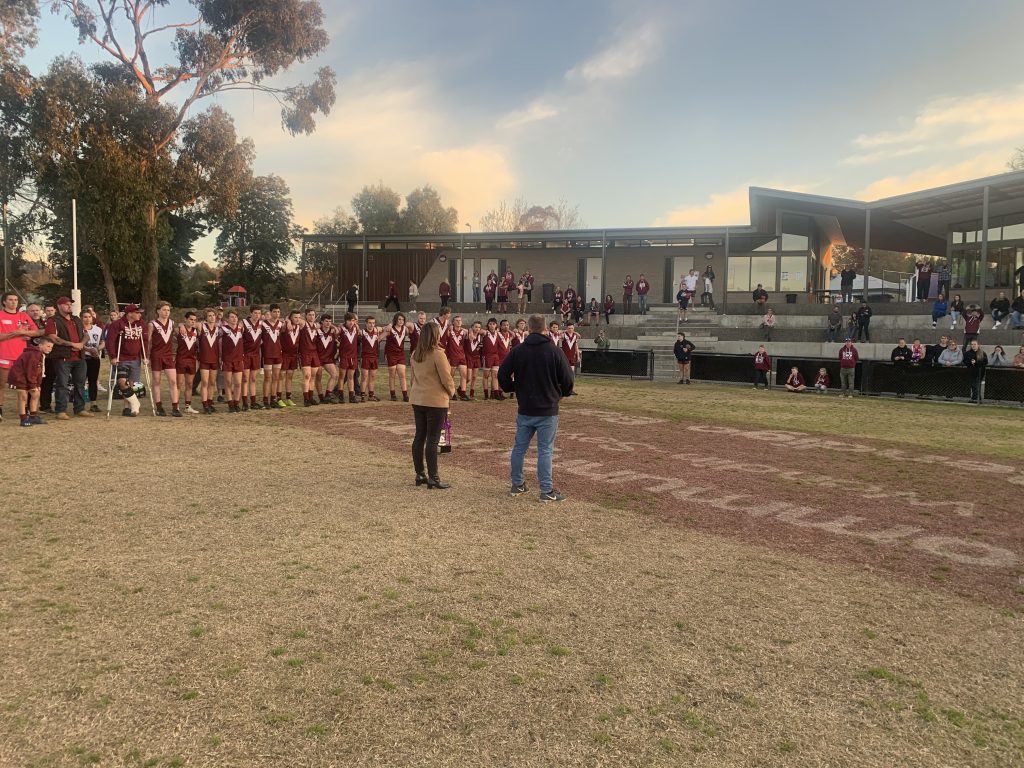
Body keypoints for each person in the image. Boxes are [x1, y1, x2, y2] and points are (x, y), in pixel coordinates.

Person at [498, 314, 574, 502]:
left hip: (525, 408)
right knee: (545, 450)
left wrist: (513, 387)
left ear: (529, 329)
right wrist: (563, 393)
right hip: (548, 408)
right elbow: (568, 379)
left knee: (519, 448)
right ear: (545, 329)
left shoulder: (518, 350)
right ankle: (546, 490)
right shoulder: (554, 350)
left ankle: (517, 484)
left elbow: (502, 375)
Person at [409, 321, 455, 489]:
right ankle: (433, 477)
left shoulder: (415, 354)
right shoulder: (438, 354)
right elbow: (446, 377)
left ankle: (420, 473)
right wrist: (452, 392)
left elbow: (414, 377)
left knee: (419, 436)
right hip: (435, 400)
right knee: (433, 439)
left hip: (418, 399)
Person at [42, 297, 89, 420]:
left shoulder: (76, 319)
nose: (69, 306)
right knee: (62, 384)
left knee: (80, 383)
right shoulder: (53, 321)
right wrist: (72, 344)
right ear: (59, 306)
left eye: (70, 304)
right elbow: (53, 338)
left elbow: (86, 335)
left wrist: (81, 344)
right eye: (66, 304)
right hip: (62, 357)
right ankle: (61, 410)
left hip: (79, 356)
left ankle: (80, 408)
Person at [0, 291, 42, 422]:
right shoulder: (0, 315)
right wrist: (15, 333)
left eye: (15, 300)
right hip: (5, 354)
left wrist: (27, 333)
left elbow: (37, 331)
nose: (13, 302)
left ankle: (28, 411)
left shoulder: (23, 316)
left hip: (23, 357)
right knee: (2, 384)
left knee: (26, 385)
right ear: (4, 302)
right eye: (10, 300)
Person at [105, 304, 147, 417]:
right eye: (137, 312)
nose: (140, 314)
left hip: (135, 358)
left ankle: (127, 408)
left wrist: (145, 356)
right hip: (121, 358)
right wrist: (113, 356)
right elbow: (110, 342)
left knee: (131, 384)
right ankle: (135, 403)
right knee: (122, 382)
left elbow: (145, 340)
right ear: (130, 314)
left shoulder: (141, 324)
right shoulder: (117, 324)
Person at [147, 301, 182, 417]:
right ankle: (159, 406)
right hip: (156, 355)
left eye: (168, 310)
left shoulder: (172, 323)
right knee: (156, 381)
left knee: (173, 381)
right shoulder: (152, 324)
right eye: (164, 310)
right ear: (158, 311)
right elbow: (148, 341)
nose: (166, 312)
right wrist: (146, 357)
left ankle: (175, 407)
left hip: (168, 355)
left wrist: (181, 326)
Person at [9, 337, 54, 426]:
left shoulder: (40, 354)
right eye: (48, 346)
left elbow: (39, 371)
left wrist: (37, 384)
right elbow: (31, 370)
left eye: (52, 347)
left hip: (27, 378)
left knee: (36, 394)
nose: (50, 349)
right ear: (40, 345)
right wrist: (33, 385)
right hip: (20, 378)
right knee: (23, 397)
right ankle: (23, 419)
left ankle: (33, 416)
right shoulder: (34, 354)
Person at [219, 310, 246, 413]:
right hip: (227, 360)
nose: (234, 319)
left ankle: (236, 402)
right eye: (231, 317)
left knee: (238, 383)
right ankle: (230, 403)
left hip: (238, 359)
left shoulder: (241, 329)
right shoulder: (223, 329)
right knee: (228, 383)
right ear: (227, 319)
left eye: (235, 317)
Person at [175, 310, 200, 414]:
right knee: (179, 384)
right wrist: (180, 325)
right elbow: (173, 327)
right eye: (190, 319)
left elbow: (202, 325)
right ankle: (175, 405)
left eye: (194, 320)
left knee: (189, 384)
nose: (192, 322)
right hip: (181, 359)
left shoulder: (196, 330)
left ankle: (187, 406)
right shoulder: (179, 330)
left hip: (191, 360)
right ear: (185, 319)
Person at [259, 304, 284, 409]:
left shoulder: (281, 324)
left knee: (276, 378)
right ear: (270, 312)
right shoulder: (263, 324)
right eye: (274, 312)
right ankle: (265, 400)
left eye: (278, 312)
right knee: (267, 378)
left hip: (278, 354)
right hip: (268, 354)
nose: (277, 314)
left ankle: (273, 399)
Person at [198, 308, 222, 414]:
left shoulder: (218, 329)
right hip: (204, 359)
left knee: (212, 383)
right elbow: (186, 324)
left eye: (213, 315)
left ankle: (210, 401)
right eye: (209, 316)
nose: (212, 317)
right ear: (206, 317)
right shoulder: (201, 326)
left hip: (215, 359)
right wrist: (181, 326)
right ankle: (204, 404)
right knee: (205, 382)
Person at [383, 312, 410, 401]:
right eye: (399, 319)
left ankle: (405, 395)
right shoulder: (390, 329)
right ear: (395, 320)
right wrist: (390, 324)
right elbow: (380, 337)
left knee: (402, 374)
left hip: (400, 354)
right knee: (392, 375)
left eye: (402, 319)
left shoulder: (405, 328)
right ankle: (392, 394)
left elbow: (412, 325)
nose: (401, 321)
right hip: (391, 354)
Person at [81, 309, 103, 412]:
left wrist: (97, 349)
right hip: (83, 358)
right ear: (81, 318)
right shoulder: (79, 329)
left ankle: (93, 404)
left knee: (93, 381)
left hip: (94, 358)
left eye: (89, 317)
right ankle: (80, 404)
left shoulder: (98, 329)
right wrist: (88, 349)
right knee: (80, 381)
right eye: (85, 317)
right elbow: (77, 343)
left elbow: (103, 341)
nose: (87, 319)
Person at [444, 315, 470, 401]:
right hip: (452, 356)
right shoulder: (449, 331)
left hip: (461, 356)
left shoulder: (465, 332)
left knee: (464, 375)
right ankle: (451, 392)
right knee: (451, 376)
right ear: (453, 322)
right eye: (457, 320)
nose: (459, 322)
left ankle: (462, 393)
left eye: (460, 320)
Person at [336, 312, 360, 403]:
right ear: (345, 321)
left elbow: (359, 332)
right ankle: (341, 396)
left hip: (353, 356)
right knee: (342, 377)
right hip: (344, 356)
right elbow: (335, 334)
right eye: (349, 320)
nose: (351, 322)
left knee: (351, 377)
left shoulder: (355, 328)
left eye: (353, 320)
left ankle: (351, 396)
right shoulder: (341, 328)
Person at [359, 316, 382, 401]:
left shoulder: (376, 331)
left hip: (374, 357)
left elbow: (385, 329)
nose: (372, 325)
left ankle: (371, 395)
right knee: (364, 377)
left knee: (372, 377)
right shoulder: (362, 332)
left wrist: (385, 327)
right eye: (370, 323)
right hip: (365, 357)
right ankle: (362, 395)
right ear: (366, 323)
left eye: (373, 323)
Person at [462, 320, 483, 399]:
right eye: (476, 327)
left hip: (476, 357)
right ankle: (461, 388)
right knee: (468, 378)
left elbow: (478, 347)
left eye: (479, 327)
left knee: (474, 377)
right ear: (472, 327)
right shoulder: (467, 334)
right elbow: (464, 329)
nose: (477, 329)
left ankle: (471, 393)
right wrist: (470, 331)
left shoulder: (480, 336)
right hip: (468, 357)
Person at [963, 339, 987, 404]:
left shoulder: (982, 353)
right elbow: (964, 361)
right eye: (972, 344)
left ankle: (977, 399)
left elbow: (985, 362)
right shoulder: (967, 353)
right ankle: (975, 398)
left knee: (977, 386)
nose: (973, 346)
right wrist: (970, 362)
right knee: (973, 386)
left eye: (974, 344)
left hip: (979, 372)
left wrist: (976, 362)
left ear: (978, 345)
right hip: (970, 372)